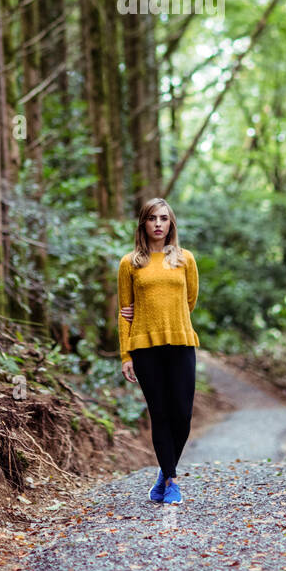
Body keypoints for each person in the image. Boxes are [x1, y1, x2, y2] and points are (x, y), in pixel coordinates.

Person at [118, 197, 199, 505]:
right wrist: (126, 354)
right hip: (145, 348)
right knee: (160, 414)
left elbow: (189, 300)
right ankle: (173, 480)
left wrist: (161, 310)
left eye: (164, 218)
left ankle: (164, 472)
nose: (158, 224)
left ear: (171, 223)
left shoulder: (185, 259)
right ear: (144, 224)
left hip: (181, 343)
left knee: (183, 413)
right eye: (152, 218)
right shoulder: (130, 263)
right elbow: (123, 311)